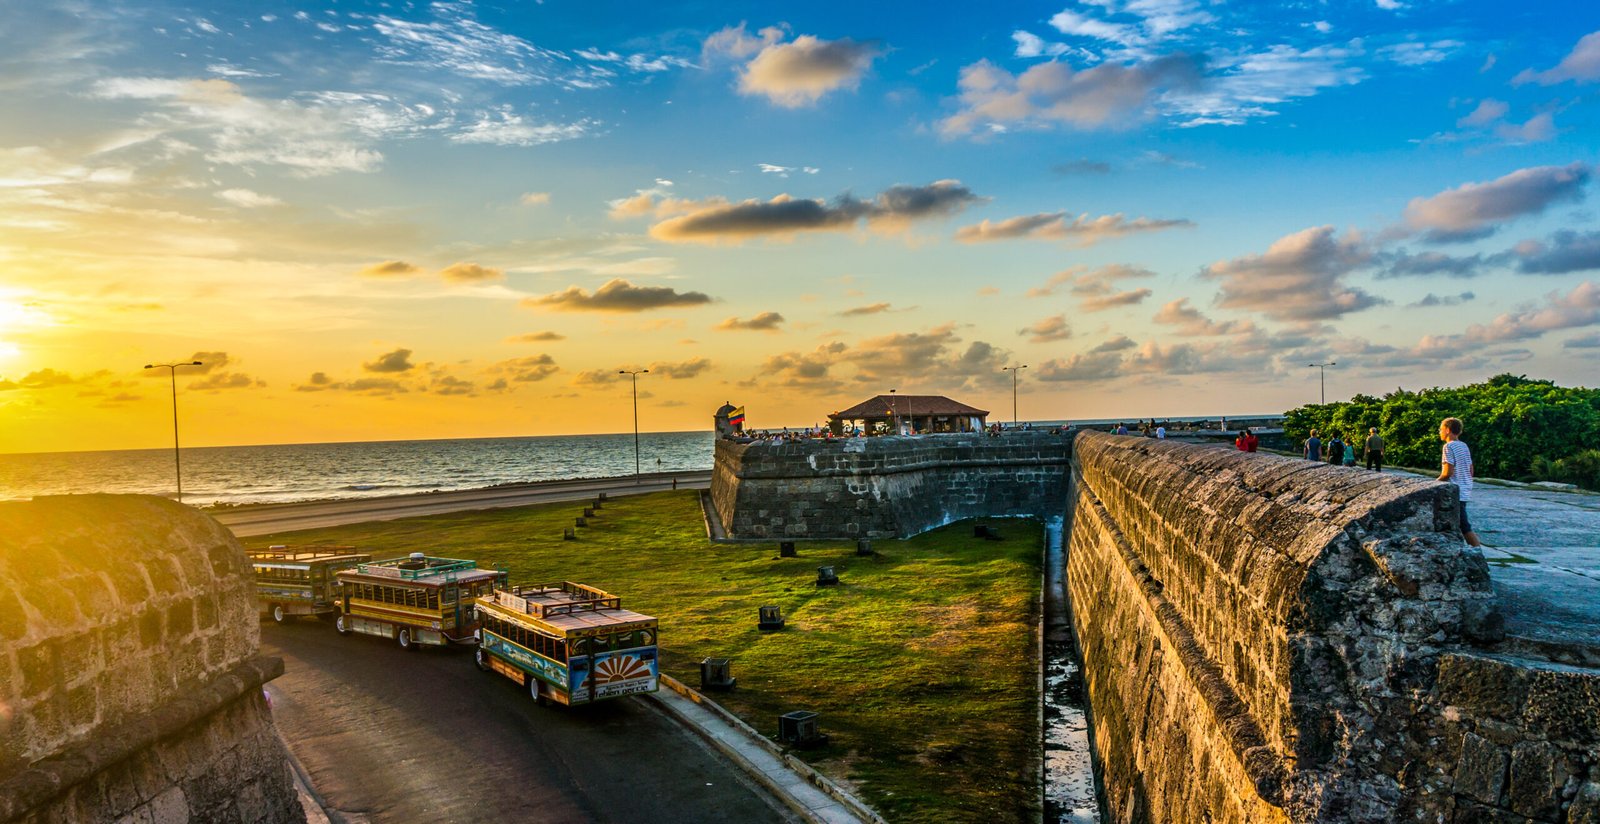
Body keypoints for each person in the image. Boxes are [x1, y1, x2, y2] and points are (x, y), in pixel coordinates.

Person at [1437, 417, 1482, 547]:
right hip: (1465, 489)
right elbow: (1471, 469)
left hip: (1455, 490)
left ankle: (1477, 551)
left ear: (1448, 430)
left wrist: (1434, 483)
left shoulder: (1448, 446)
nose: (1439, 432)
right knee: (1459, 523)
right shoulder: (1463, 445)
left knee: (1464, 526)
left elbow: (1447, 472)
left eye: (1441, 429)